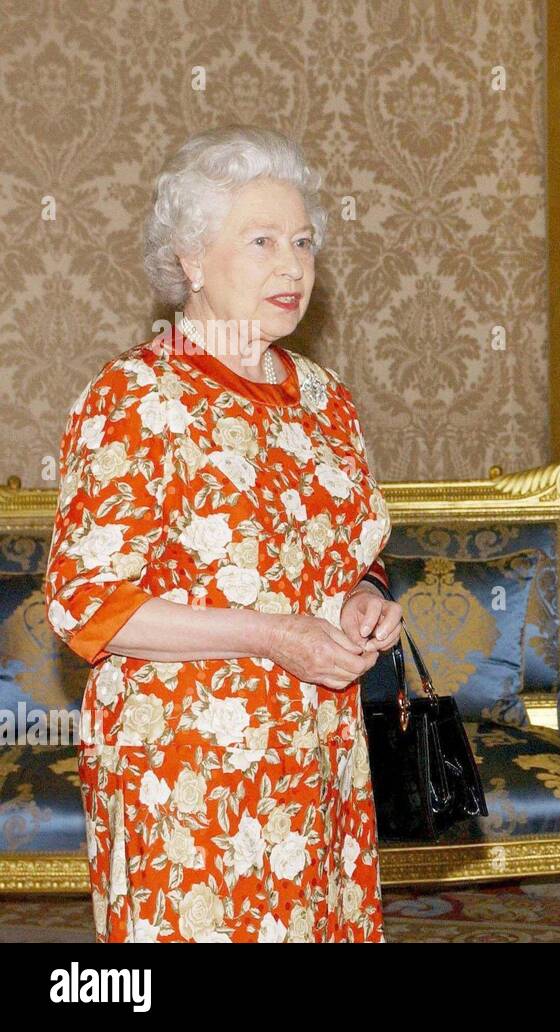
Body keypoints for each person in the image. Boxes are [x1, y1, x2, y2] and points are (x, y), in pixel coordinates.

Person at [44, 126, 401, 942]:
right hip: (189, 779)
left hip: (320, 756)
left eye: (304, 242)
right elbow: (85, 607)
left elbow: (353, 549)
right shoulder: (136, 398)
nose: (292, 265)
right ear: (191, 260)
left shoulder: (323, 395)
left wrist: (362, 599)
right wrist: (272, 636)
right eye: (263, 240)